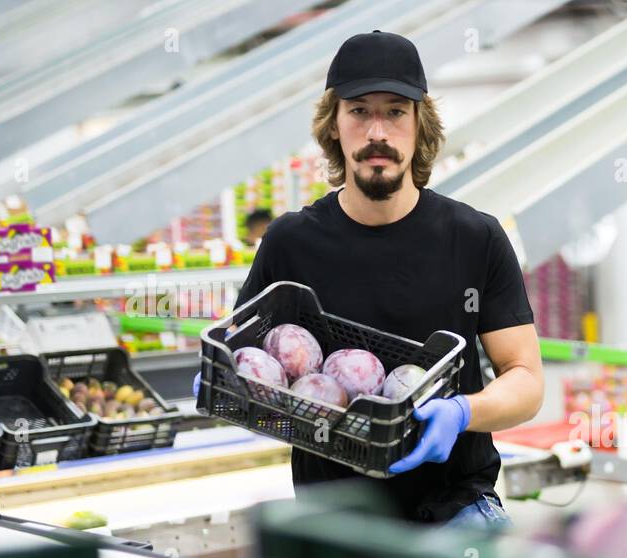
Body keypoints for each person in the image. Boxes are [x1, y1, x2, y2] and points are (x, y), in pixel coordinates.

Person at [223, 31, 544, 528]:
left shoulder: (476, 238)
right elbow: (260, 388)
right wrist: (236, 387)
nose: (378, 131)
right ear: (334, 125)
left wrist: (463, 412)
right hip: (336, 521)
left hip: (454, 510)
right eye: (358, 111)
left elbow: (526, 380)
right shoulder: (290, 244)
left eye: (395, 111)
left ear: (420, 125)